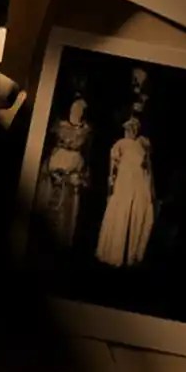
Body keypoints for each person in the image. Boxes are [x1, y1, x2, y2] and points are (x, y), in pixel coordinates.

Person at [95, 117, 155, 267]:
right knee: (121, 214)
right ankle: (115, 253)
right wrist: (110, 188)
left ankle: (132, 254)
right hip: (124, 185)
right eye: (129, 128)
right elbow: (112, 170)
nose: (131, 131)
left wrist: (149, 190)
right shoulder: (120, 145)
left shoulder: (143, 145)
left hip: (138, 185)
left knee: (137, 214)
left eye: (134, 128)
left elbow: (147, 170)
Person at [35, 98, 93, 246]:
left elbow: (87, 157)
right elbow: (48, 147)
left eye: (80, 110)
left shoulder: (86, 131)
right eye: (74, 108)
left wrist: (80, 176)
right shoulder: (59, 126)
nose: (76, 112)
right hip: (54, 169)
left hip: (72, 174)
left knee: (65, 211)